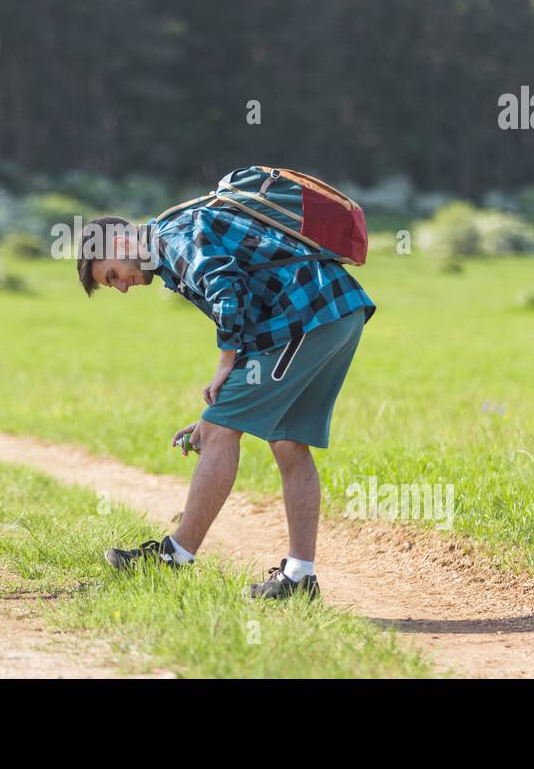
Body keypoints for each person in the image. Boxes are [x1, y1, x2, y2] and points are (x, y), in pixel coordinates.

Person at [76, 208, 375, 599]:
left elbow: (225, 287)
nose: (122, 287)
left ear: (118, 243)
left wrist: (225, 368)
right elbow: (249, 305)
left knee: (223, 429)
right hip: (334, 311)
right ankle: (301, 577)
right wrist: (218, 413)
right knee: (287, 442)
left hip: (309, 315)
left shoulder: (169, 238)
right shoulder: (174, 238)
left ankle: (175, 557)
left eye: (112, 275)